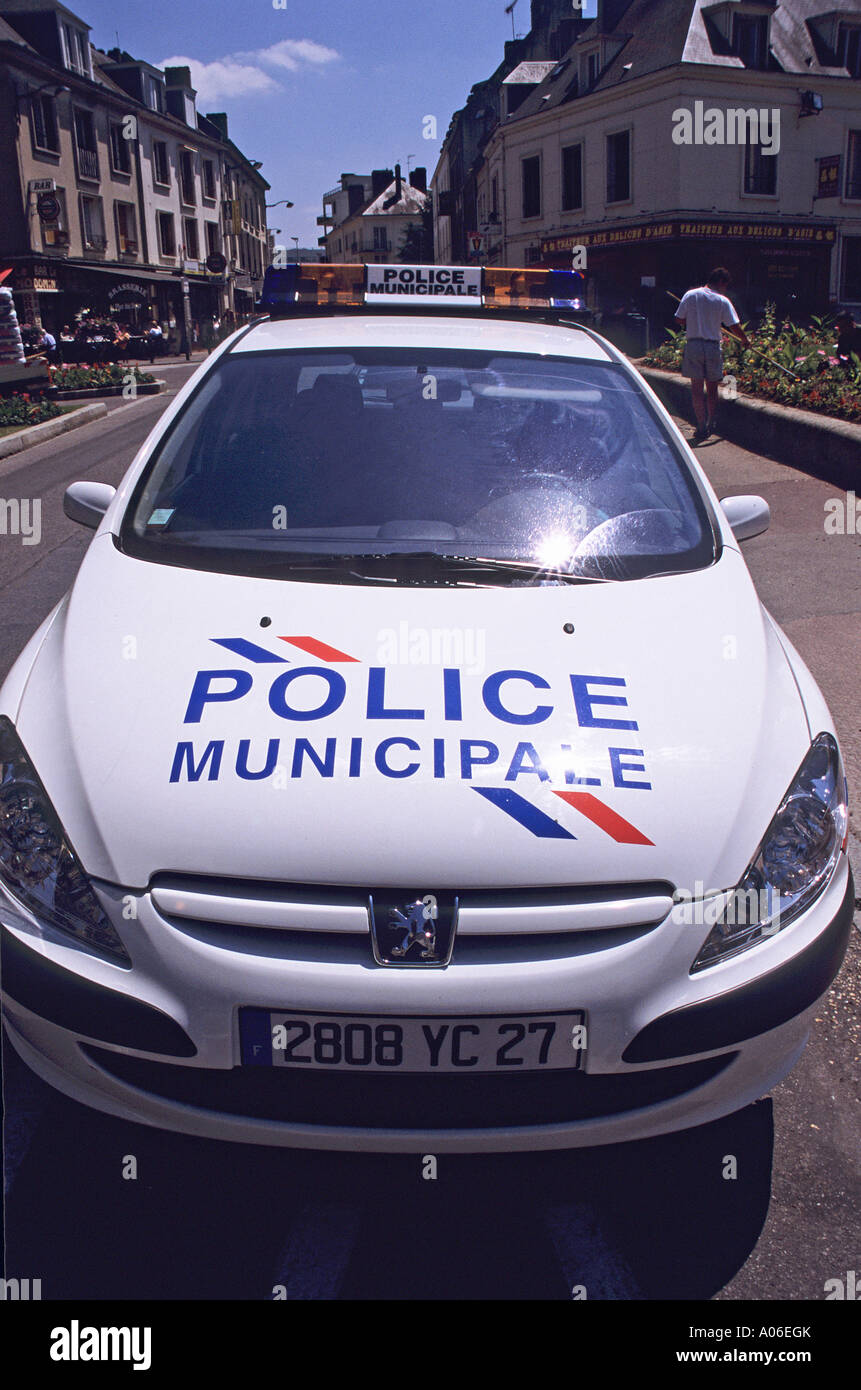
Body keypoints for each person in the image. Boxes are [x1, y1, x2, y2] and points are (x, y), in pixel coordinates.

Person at [674, 267, 750, 442]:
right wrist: (744, 339)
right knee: (712, 388)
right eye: (725, 285)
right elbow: (734, 325)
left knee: (696, 388)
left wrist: (692, 319)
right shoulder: (722, 300)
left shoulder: (690, 295)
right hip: (712, 347)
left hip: (693, 345)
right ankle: (711, 422)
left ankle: (700, 424)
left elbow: (679, 319)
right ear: (722, 282)